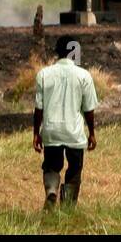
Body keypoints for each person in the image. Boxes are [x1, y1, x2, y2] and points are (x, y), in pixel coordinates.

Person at [33, 35, 99, 210]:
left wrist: (36, 133)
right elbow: (89, 110)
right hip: (74, 133)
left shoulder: (44, 74)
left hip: (51, 131)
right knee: (75, 169)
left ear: (58, 52)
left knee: (51, 166)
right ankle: (68, 207)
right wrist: (91, 133)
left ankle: (52, 190)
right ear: (74, 52)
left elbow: (38, 108)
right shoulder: (84, 75)